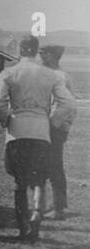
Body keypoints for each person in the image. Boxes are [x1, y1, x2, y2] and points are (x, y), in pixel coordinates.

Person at [0, 35, 76, 239]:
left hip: (18, 131)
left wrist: (7, 121)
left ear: (20, 50)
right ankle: (37, 213)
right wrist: (52, 122)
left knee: (20, 182)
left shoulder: (9, 73)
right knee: (39, 178)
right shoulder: (51, 75)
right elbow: (69, 104)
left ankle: (22, 223)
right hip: (41, 131)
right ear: (36, 50)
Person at [39, 44, 72, 219]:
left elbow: (67, 105)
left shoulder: (60, 76)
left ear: (52, 56)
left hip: (54, 129)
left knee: (54, 166)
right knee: (46, 166)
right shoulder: (50, 75)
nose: (41, 58)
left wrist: (54, 124)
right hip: (49, 127)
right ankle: (47, 206)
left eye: (44, 54)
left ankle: (59, 208)